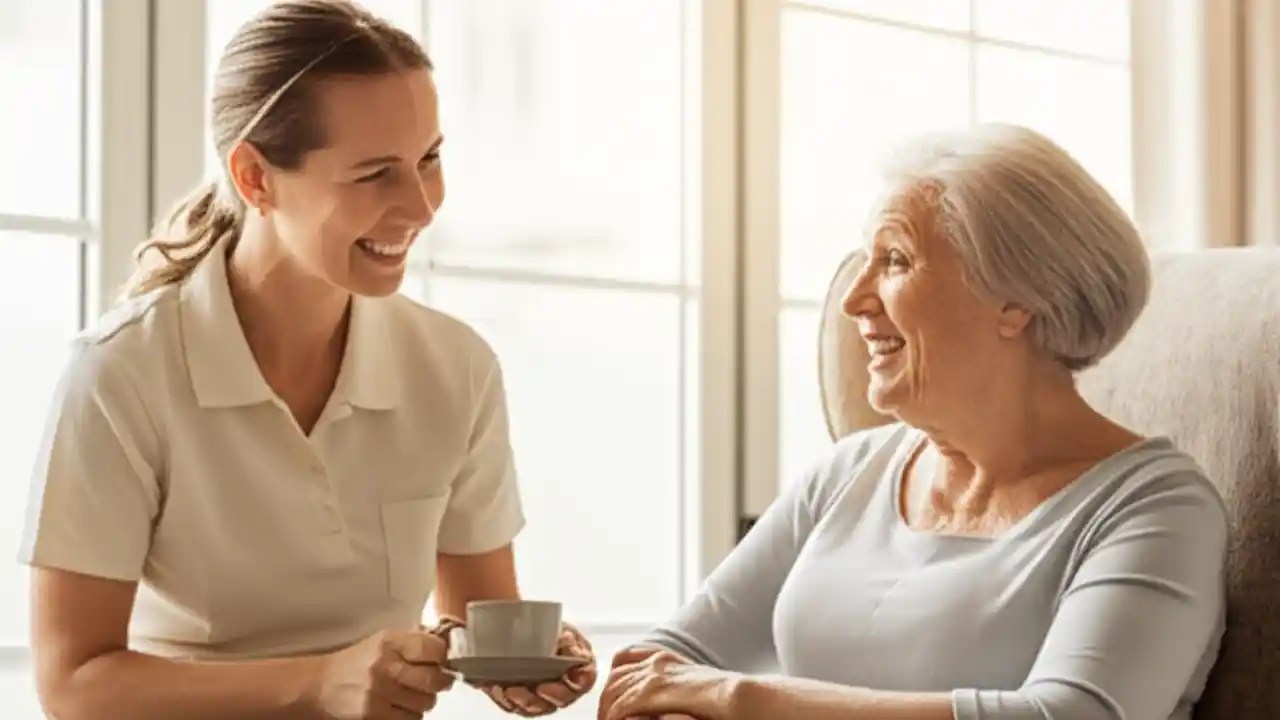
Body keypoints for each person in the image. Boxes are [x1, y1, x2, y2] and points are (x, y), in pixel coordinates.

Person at [19, 1, 594, 718]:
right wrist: (319, 683)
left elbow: (474, 615)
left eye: (429, 159)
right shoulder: (122, 373)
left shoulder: (457, 368)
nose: (421, 207)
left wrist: (528, 660)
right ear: (255, 178)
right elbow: (73, 684)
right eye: (375, 174)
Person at [599, 124, 1229, 720]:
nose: (854, 300)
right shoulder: (850, 472)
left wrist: (742, 699)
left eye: (896, 261)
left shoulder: (1155, 507)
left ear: (1016, 300)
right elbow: (663, 662)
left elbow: (1072, 715)